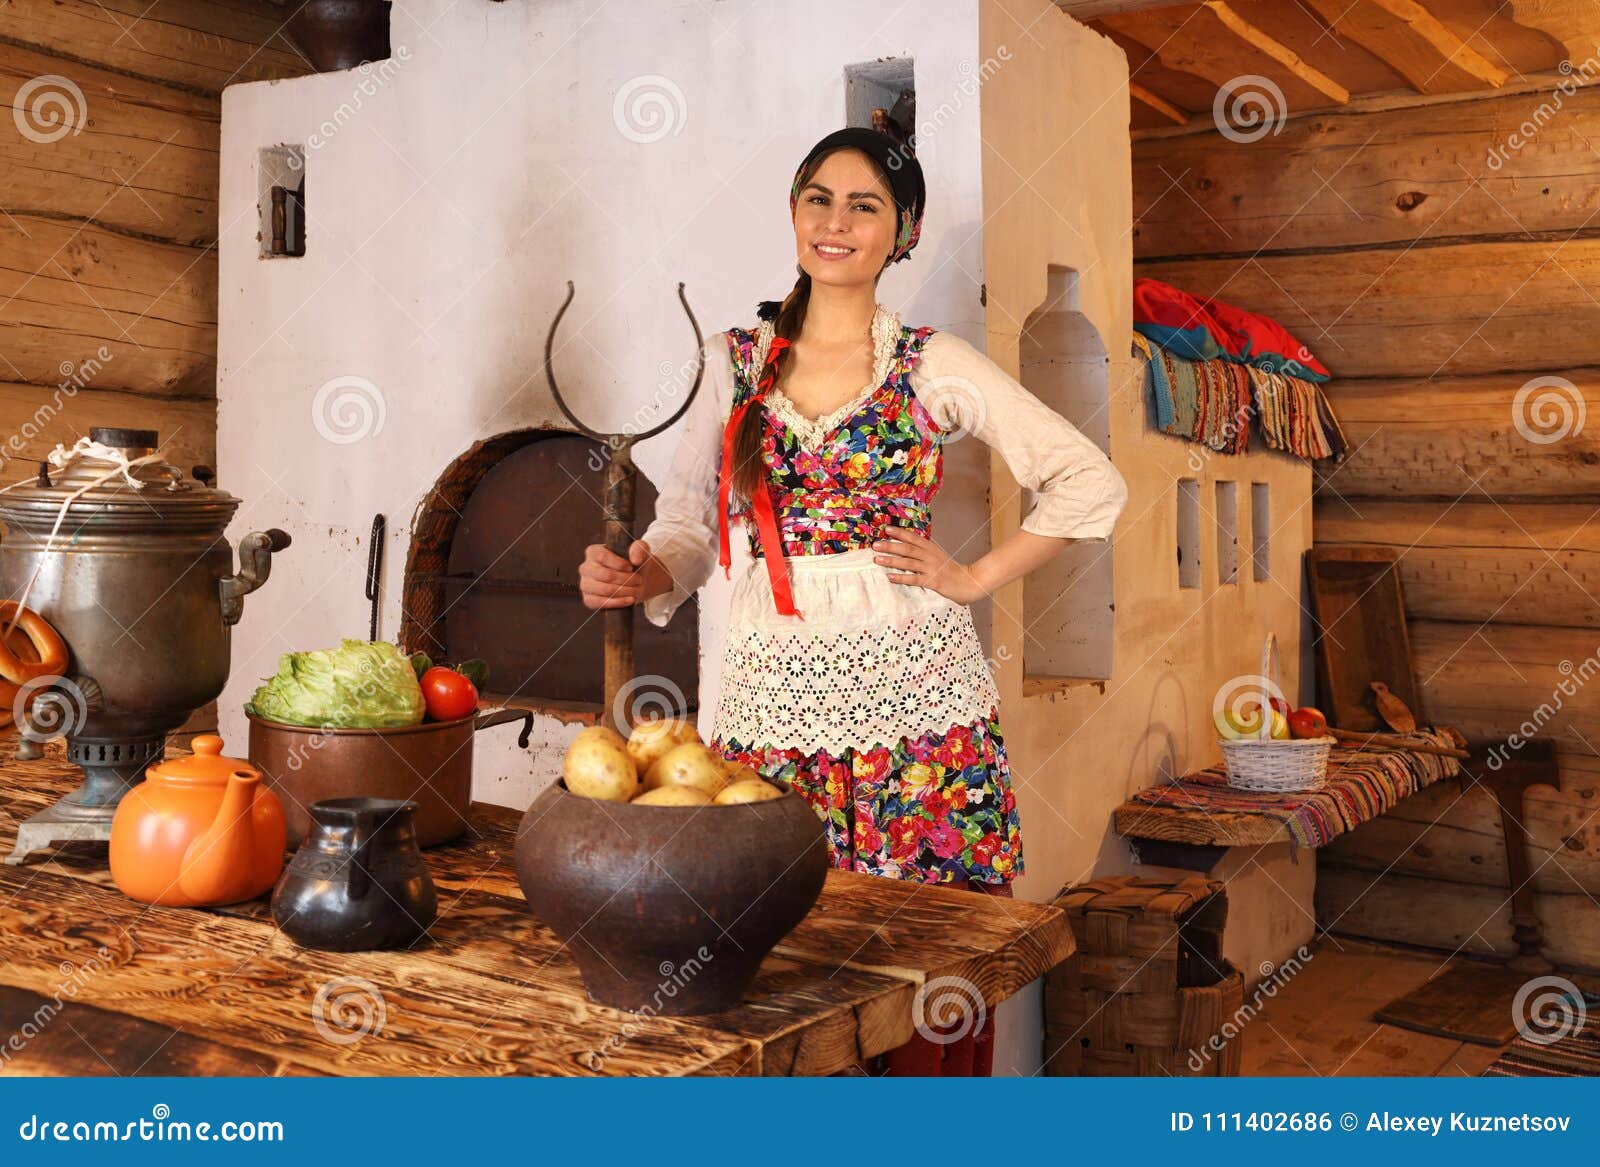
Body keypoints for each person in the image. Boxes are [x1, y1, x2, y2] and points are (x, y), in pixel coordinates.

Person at [578, 127, 1128, 1075]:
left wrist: (971, 578)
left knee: (924, 964)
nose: (836, 222)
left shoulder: (932, 361)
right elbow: (690, 530)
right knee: (781, 965)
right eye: (818, 199)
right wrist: (643, 574)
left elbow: (1088, 481)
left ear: (902, 232)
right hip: (766, 711)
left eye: (865, 205)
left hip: (920, 722)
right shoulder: (731, 361)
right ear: (793, 213)